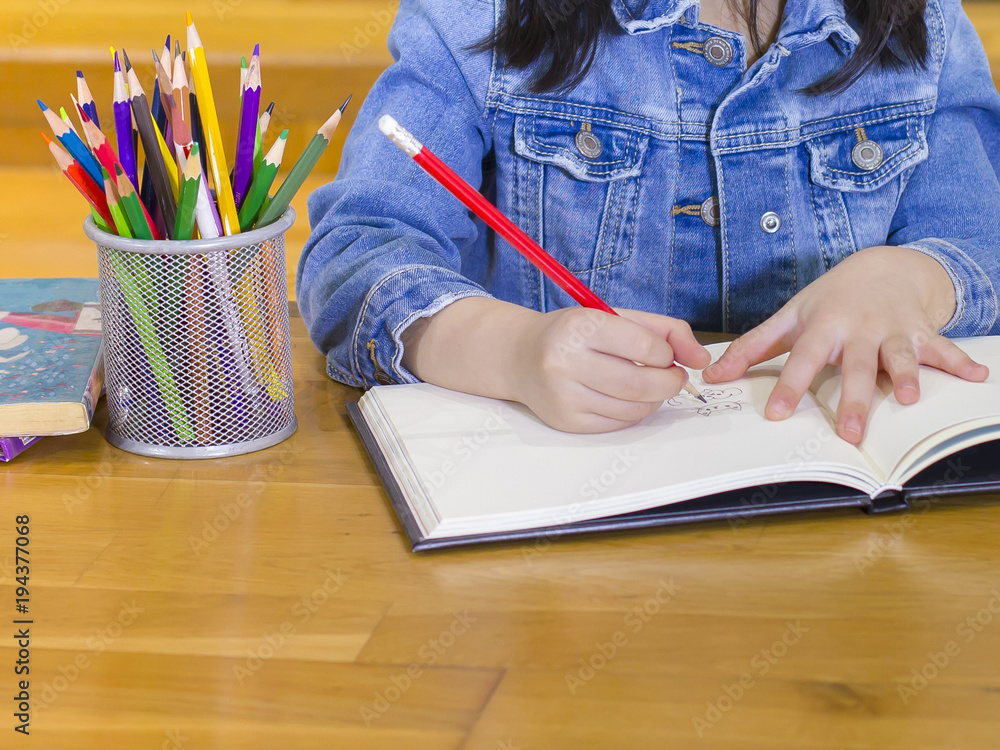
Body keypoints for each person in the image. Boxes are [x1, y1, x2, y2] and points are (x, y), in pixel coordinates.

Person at [298, 0, 1000, 442]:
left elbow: (980, 241)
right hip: (565, 521)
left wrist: (907, 279)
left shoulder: (926, 25)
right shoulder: (476, 19)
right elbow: (358, 249)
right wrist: (511, 351)